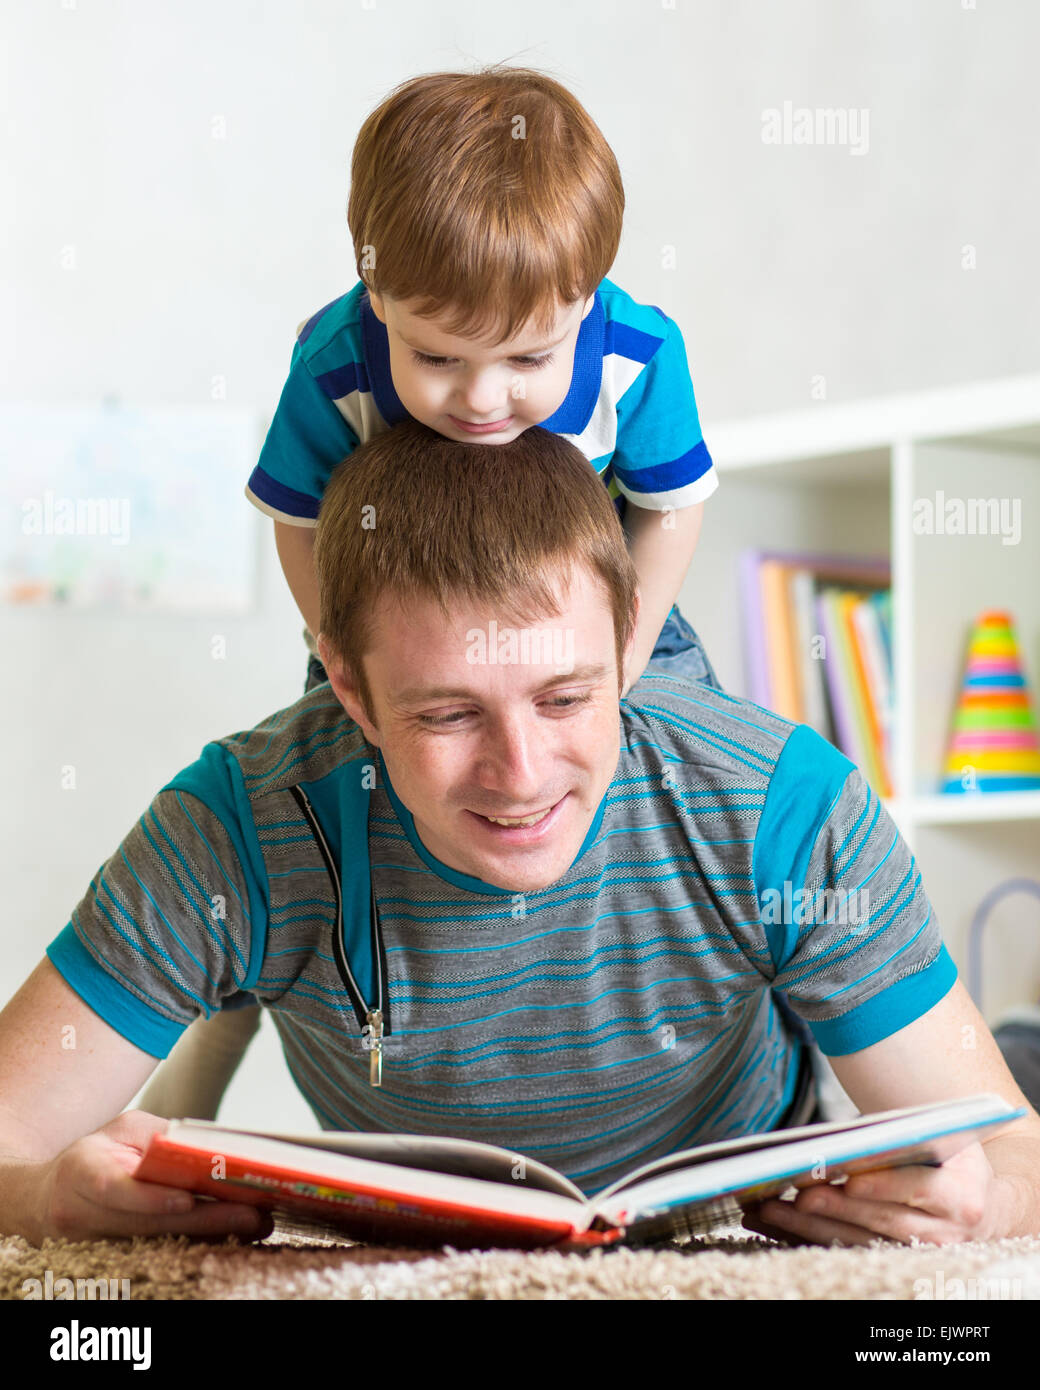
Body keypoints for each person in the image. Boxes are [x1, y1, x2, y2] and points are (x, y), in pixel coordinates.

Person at [2, 419, 1039, 1249]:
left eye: (565, 696)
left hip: (755, 1164)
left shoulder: (781, 805)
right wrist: (48, 1194)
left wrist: (986, 1208)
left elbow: (1014, 1156)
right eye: (449, 714)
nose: (522, 774)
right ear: (351, 688)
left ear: (628, 639)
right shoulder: (235, 822)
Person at [141, 62, 724, 1121]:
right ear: (376, 297)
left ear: (584, 302)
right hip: (398, 633)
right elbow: (298, 519)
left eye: (526, 359)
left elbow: (672, 505)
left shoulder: (638, 356)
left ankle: (750, 1047)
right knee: (295, 827)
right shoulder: (334, 364)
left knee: (700, 777)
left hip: (598, 616)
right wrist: (339, 652)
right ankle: (195, 1066)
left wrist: (625, 661)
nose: (483, 397)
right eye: (439, 357)